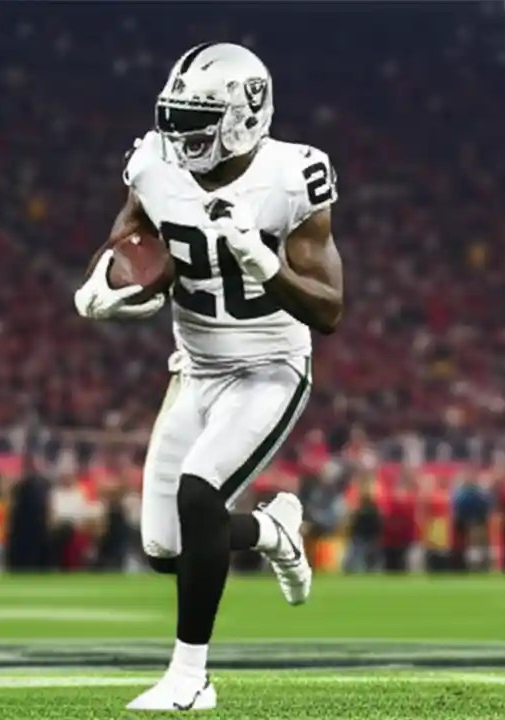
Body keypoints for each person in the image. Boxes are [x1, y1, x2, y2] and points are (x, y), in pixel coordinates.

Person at [72, 43, 344, 711]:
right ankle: (272, 530)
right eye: (178, 114)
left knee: (199, 495)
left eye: (200, 117)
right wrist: (103, 287)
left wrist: (267, 267)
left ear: (245, 117)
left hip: (269, 366)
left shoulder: (293, 175)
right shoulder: (154, 165)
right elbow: (130, 242)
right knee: (166, 546)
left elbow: (331, 309)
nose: (181, 133)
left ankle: (191, 679)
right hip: (194, 370)